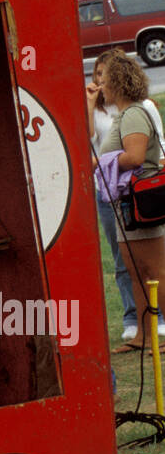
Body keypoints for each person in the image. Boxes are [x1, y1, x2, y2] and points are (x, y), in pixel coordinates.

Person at [86, 51, 165, 349]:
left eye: (104, 78)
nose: (99, 83)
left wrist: (101, 162)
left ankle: (160, 331)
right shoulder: (120, 114)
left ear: (118, 81)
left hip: (141, 201)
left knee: (154, 269)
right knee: (136, 271)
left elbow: (134, 157)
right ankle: (144, 336)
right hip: (124, 204)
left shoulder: (132, 114)